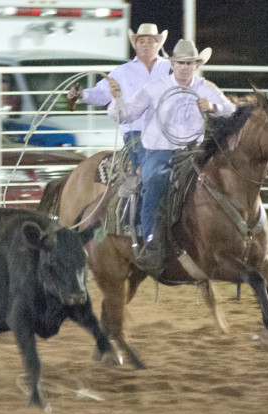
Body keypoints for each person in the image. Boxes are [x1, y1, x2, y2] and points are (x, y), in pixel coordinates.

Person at [107, 39, 236, 269]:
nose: (185, 67)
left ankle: (225, 233)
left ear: (196, 65)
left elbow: (231, 110)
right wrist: (117, 99)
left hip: (194, 152)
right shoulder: (155, 88)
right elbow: (126, 114)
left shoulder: (206, 88)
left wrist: (213, 107)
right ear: (172, 64)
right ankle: (151, 241)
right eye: (180, 63)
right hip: (160, 151)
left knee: (221, 179)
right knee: (154, 180)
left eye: (189, 63)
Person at [67, 23, 170, 161]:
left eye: (150, 41)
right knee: (148, 161)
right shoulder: (122, 71)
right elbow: (102, 93)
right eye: (141, 41)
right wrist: (82, 94)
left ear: (158, 44)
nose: (145, 45)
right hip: (136, 132)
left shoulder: (170, 68)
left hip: (168, 132)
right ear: (135, 45)